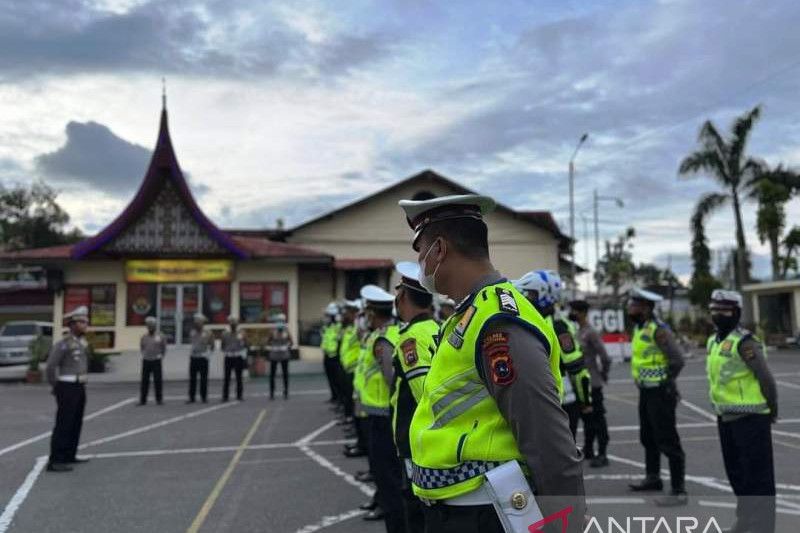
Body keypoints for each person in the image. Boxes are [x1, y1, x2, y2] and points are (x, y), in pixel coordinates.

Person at [399, 194, 585, 533]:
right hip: (459, 510)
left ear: (438, 250)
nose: (420, 264)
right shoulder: (468, 315)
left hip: (484, 514)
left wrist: (565, 526)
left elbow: (549, 444)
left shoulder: (498, 322)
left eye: (420, 251)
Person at [706, 289, 777, 533]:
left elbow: (766, 378)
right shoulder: (714, 341)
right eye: (715, 310)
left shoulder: (746, 342)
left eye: (724, 310)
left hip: (751, 418)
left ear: (736, 313)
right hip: (726, 418)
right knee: (738, 475)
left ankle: (762, 528)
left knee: (758, 479)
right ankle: (745, 522)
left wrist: (772, 409)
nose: (718, 314)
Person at [513, 270, 592, 440]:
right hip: (540, 402)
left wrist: (585, 401)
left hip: (562, 404)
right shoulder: (532, 321)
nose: (526, 298)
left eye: (531, 294)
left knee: (560, 460)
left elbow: (577, 369)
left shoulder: (558, 327)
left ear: (545, 295)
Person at [626, 288, 687, 507]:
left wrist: (665, 381)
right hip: (646, 392)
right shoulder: (640, 328)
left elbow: (677, 360)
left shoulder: (658, 331)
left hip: (661, 393)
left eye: (635, 306)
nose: (630, 309)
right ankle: (653, 478)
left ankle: (679, 489)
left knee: (668, 440)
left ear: (646, 308)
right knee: (648, 436)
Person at [390, 261, 437, 533]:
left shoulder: (412, 339)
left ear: (403, 296)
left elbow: (425, 397)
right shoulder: (435, 327)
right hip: (429, 442)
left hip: (417, 441)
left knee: (417, 511)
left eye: (398, 292)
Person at [359, 284, 403, 532]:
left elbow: (390, 378)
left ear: (373, 313)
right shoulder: (395, 332)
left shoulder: (383, 339)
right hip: (386, 413)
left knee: (387, 477)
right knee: (391, 476)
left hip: (382, 414)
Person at [46, 306, 91, 472]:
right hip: (67, 386)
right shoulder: (64, 344)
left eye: (86, 322)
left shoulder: (81, 343)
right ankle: (56, 460)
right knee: (64, 423)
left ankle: (70, 454)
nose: (85, 324)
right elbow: (51, 366)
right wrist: (55, 386)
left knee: (75, 422)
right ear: (71, 325)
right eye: (81, 322)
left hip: (79, 386)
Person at [569, 300, 612, 468]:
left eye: (574, 310)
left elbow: (605, 357)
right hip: (580, 384)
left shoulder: (591, 332)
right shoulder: (576, 331)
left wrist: (602, 375)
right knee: (586, 419)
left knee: (598, 419)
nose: (571, 313)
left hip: (592, 382)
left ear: (582, 312)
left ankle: (602, 453)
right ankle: (588, 450)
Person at [139, 316, 166, 406]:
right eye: (148, 325)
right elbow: (142, 347)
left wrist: (161, 356)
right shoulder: (144, 337)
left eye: (152, 325)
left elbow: (163, 348)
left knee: (158, 380)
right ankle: (143, 400)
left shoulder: (160, 336)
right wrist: (145, 355)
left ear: (155, 326)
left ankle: (159, 399)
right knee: (144, 381)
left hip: (156, 361)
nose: (150, 327)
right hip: (146, 360)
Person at [221, 315, 247, 402]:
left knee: (239, 378)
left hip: (237, 356)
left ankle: (239, 395)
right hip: (228, 356)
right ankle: (225, 396)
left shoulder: (241, 333)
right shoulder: (225, 333)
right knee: (226, 378)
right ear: (229, 323)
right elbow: (223, 345)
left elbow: (246, 343)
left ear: (237, 323)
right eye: (231, 322)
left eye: (234, 322)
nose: (233, 324)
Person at [188, 313, 212, 404]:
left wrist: (208, 354)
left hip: (203, 358)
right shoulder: (192, 332)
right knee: (192, 379)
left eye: (198, 321)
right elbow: (192, 343)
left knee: (203, 379)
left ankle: (204, 397)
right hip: (194, 357)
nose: (197, 323)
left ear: (202, 322)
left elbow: (212, 345)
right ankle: (192, 397)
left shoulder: (208, 333)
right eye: (195, 321)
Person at [267, 313, 293, 400]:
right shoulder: (272, 331)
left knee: (285, 374)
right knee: (272, 375)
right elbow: (268, 341)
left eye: (282, 321)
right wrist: (273, 344)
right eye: (279, 321)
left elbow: (291, 342)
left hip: (284, 354)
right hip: (274, 354)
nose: (280, 322)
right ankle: (272, 393)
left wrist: (287, 346)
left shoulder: (286, 330)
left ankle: (286, 392)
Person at [321, 302, 342, 404]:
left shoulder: (338, 327)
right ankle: (334, 397)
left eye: (329, 315)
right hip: (327, 356)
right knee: (330, 379)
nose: (327, 318)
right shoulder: (326, 327)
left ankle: (338, 398)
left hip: (336, 357)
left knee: (337, 380)